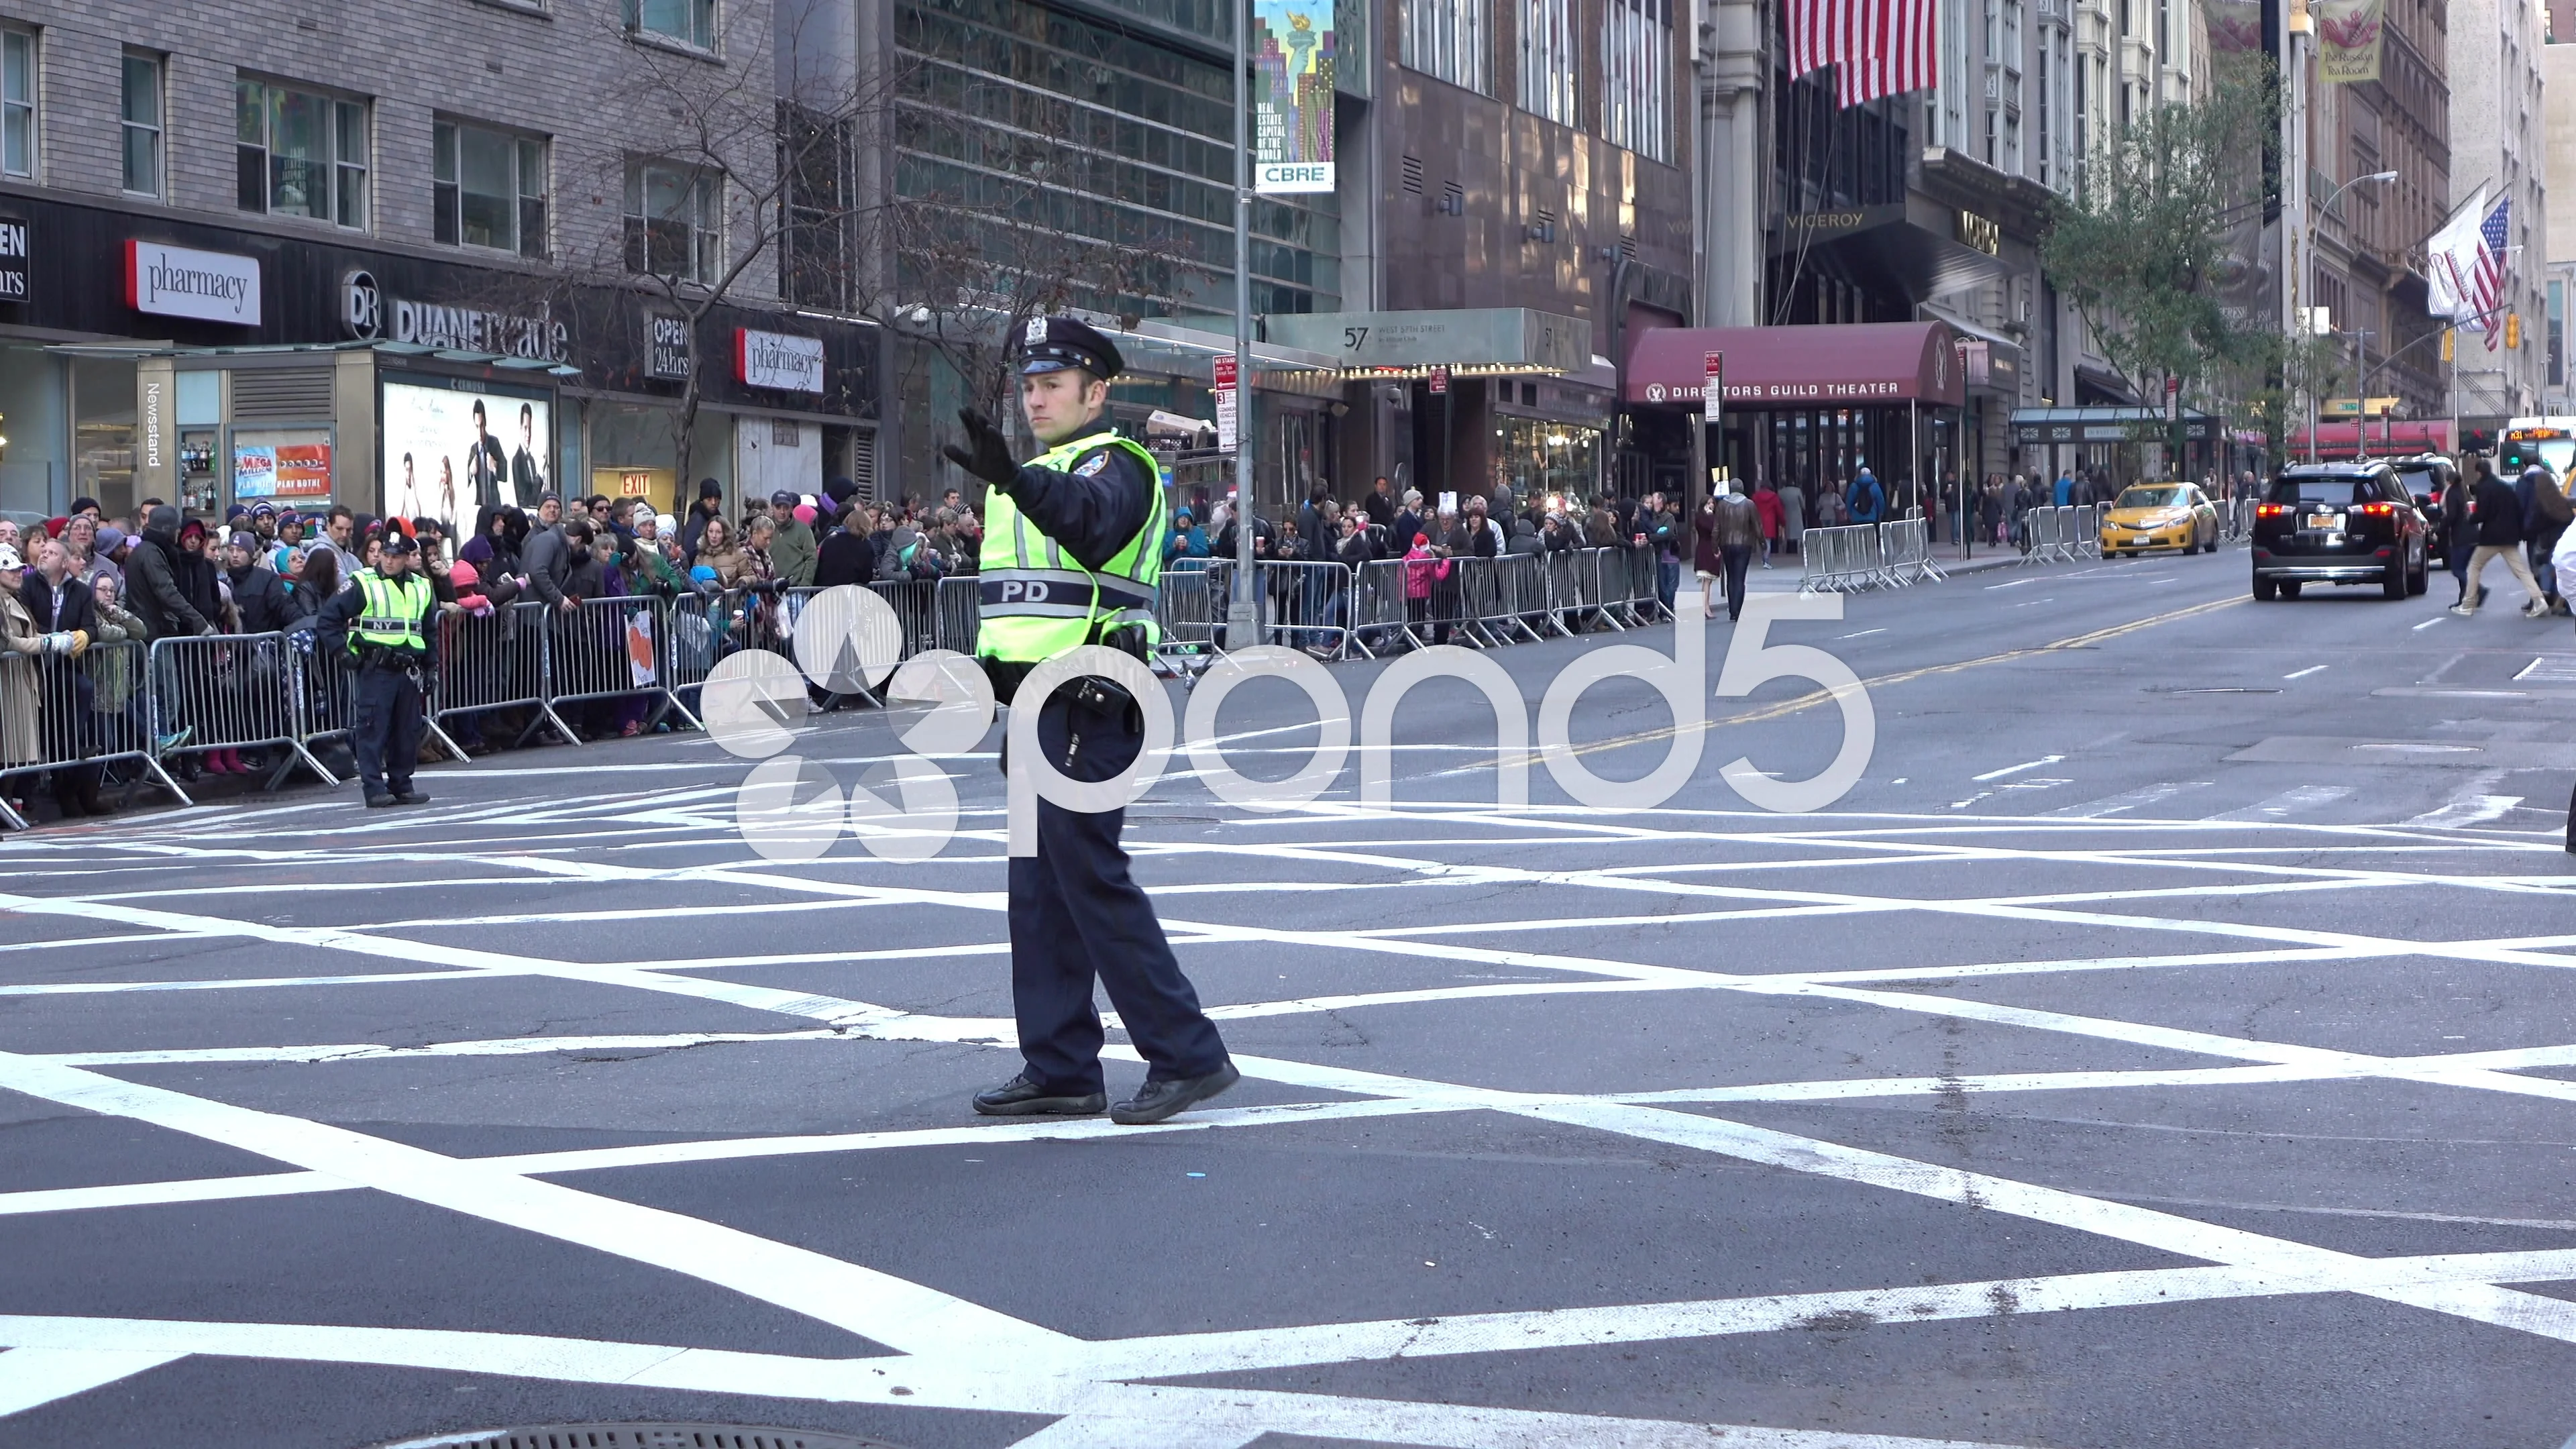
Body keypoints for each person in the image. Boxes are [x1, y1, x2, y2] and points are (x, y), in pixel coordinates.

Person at [939, 314, 1238, 1126]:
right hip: (1038, 707)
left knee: (1090, 878)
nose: (1035, 400)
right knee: (1038, 891)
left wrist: (1015, 478)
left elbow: (1090, 522)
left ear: (1095, 393)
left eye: (1053, 386)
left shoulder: (1117, 464)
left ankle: (1188, 1054)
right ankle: (1061, 1066)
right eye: (1029, 387)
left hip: (1092, 700)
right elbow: (1026, 607)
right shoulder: (1030, 476)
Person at [317, 527, 437, 807]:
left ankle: (402, 784)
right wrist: (342, 652)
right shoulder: (363, 582)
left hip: (408, 670)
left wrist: (432, 667)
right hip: (376, 668)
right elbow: (328, 619)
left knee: (406, 731)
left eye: (395, 556)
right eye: (385, 555)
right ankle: (373, 788)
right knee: (372, 730)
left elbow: (428, 631)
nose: (389, 561)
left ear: (406, 558)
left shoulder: (421, 586)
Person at [2459, 455, 2548, 617]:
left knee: (2474, 566)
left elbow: (2483, 513)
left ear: (2479, 473)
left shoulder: (2484, 488)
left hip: (2491, 538)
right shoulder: (2505, 487)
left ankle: (2468, 604)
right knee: (2521, 571)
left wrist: (2471, 519)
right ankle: (2539, 600)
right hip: (2510, 537)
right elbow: (2518, 510)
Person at [767, 489, 819, 586]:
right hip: (769, 588)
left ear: (791, 508)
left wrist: (804, 585)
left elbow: (812, 558)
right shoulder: (765, 528)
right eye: (778, 507)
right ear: (772, 508)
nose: (782, 512)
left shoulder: (803, 530)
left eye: (786, 508)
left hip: (795, 589)